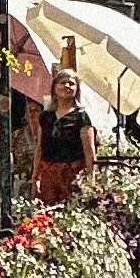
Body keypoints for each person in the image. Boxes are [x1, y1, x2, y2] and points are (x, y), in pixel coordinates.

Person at [34, 65, 94, 212]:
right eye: (62, 82)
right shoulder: (45, 117)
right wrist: (35, 175)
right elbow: (40, 147)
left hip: (72, 174)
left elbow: (89, 150)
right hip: (49, 173)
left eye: (71, 83)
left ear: (76, 90)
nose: (67, 86)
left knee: (71, 212)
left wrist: (91, 178)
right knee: (48, 213)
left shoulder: (81, 116)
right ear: (54, 88)